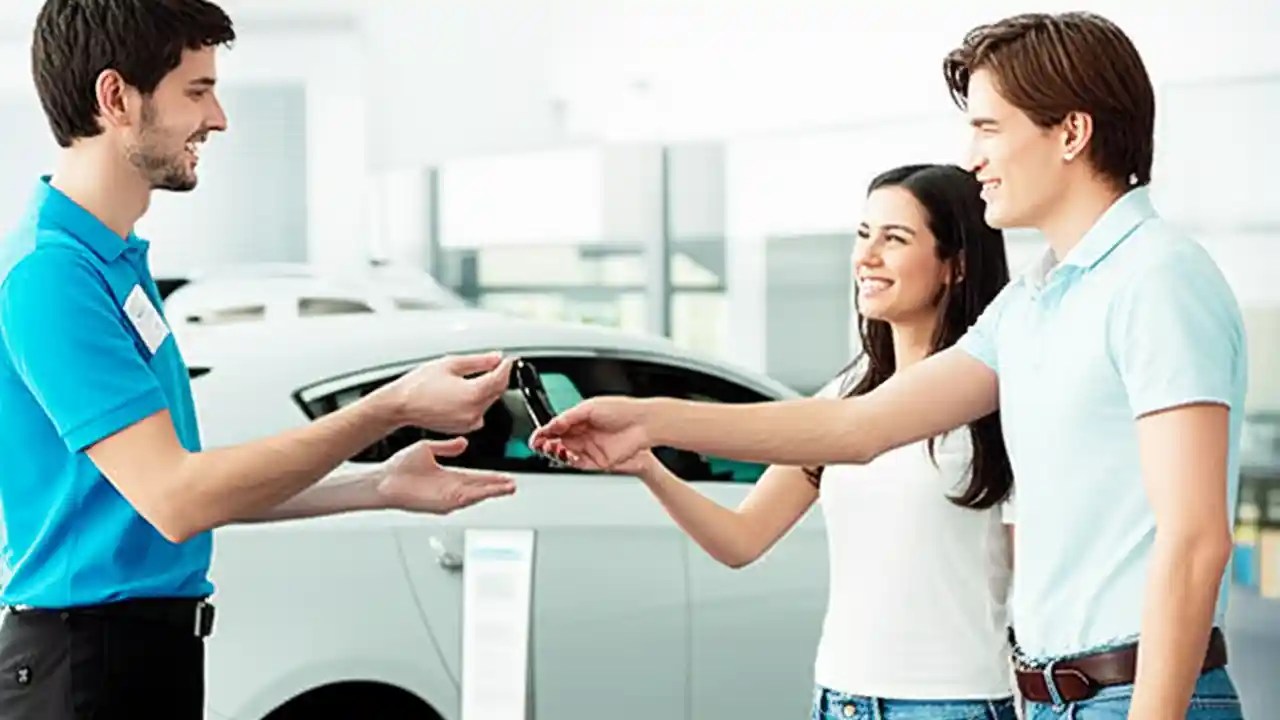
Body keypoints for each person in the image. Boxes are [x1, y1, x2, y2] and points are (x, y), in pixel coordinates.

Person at [533, 12, 1248, 720]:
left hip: (1138, 694)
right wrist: (650, 420)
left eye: (989, 128)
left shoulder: (1157, 278)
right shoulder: (1033, 300)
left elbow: (1195, 537)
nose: (973, 157)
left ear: (1071, 131)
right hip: (1055, 699)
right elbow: (860, 426)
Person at [0, 2, 517, 718]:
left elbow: (199, 486)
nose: (218, 118)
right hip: (84, 669)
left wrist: (376, 485)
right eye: (196, 90)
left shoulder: (113, 261)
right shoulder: (51, 275)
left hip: (137, 657)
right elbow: (179, 498)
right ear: (115, 98)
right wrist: (387, 407)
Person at [557, 163, 1021, 719]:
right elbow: (742, 539)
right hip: (841, 697)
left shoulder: (994, 396)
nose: (866, 257)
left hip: (952, 701)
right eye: (863, 234)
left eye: (894, 239)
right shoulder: (847, 392)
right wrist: (648, 467)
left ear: (957, 264)